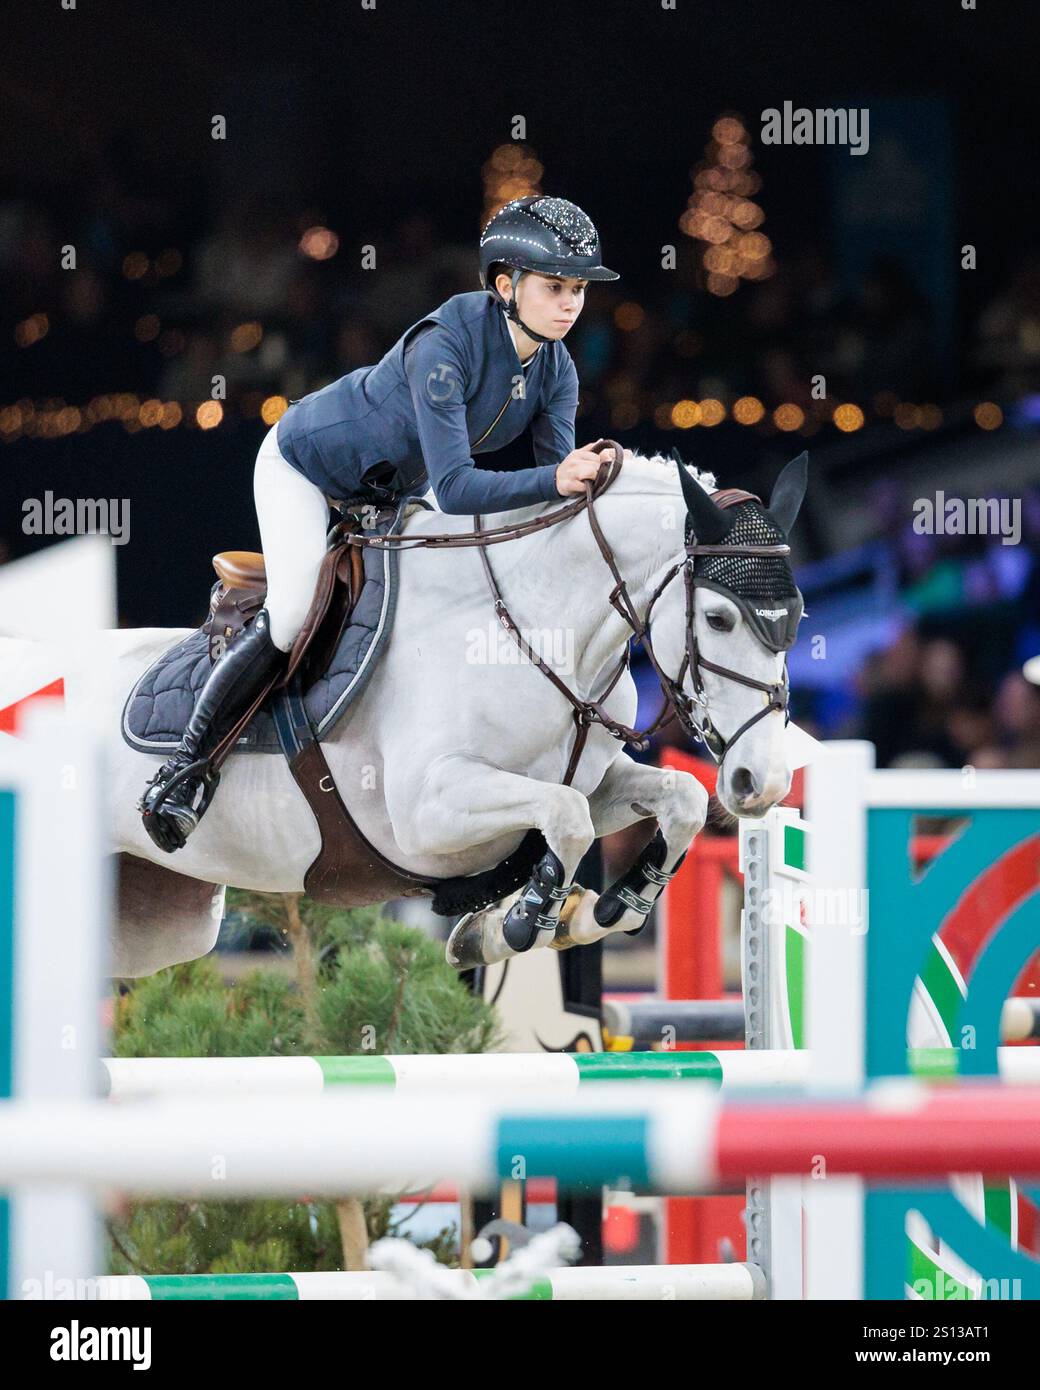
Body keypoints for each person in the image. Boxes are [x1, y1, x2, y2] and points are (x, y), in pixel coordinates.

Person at [140, 195, 620, 852]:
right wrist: (559, 477)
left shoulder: (555, 368)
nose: (571, 303)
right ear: (506, 285)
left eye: (579, 290)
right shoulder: (445, 348)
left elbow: (550, 499)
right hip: (306, 467)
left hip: (390, 494)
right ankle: (185, 770)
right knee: (289, 614)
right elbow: (457, 489)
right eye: (555, 286)